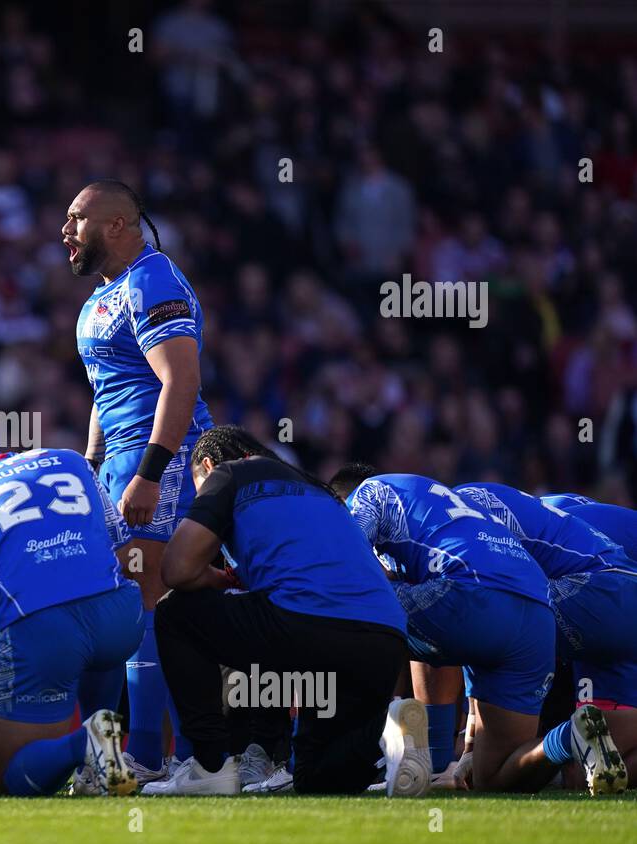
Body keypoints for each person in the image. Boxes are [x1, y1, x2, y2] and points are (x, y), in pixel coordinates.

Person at [149, 426, 420, 796]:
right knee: (316, 782)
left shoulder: (229, 474)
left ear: (208, 466)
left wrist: (219, 578)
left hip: (307, 624)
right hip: (385, 641)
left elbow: (175, 570)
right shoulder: (320, 490)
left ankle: (210, 767)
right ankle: (393, 734)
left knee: (174, 614)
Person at [334, 469, 626, 795]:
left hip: (514, 593)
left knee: (346, 611)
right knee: (494, 778)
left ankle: (400, 736)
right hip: (537, 610)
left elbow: (346, 562)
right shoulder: (457, 512)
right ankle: (568, 737)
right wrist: (471, 744)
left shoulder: (367, 494)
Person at [66, 179, 212, 781]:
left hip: (162, 455)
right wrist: (92, 465)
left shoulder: (153, 280)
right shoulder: (102, 297)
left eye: (77, 219)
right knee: (140, 603)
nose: (65, 232)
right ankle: (184, 756)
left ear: (118, 225)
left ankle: (154, 756)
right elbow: (108, 390)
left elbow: (180, 381)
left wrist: (151, 471)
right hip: (119, 461)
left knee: (144, 598)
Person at [0, 448, 144, 797]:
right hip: (121, 616)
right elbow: (124, 553)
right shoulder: (71, 460)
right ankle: (95, 764)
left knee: (8, 777)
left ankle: (85, 745)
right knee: (95, 641)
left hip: (45, 626)